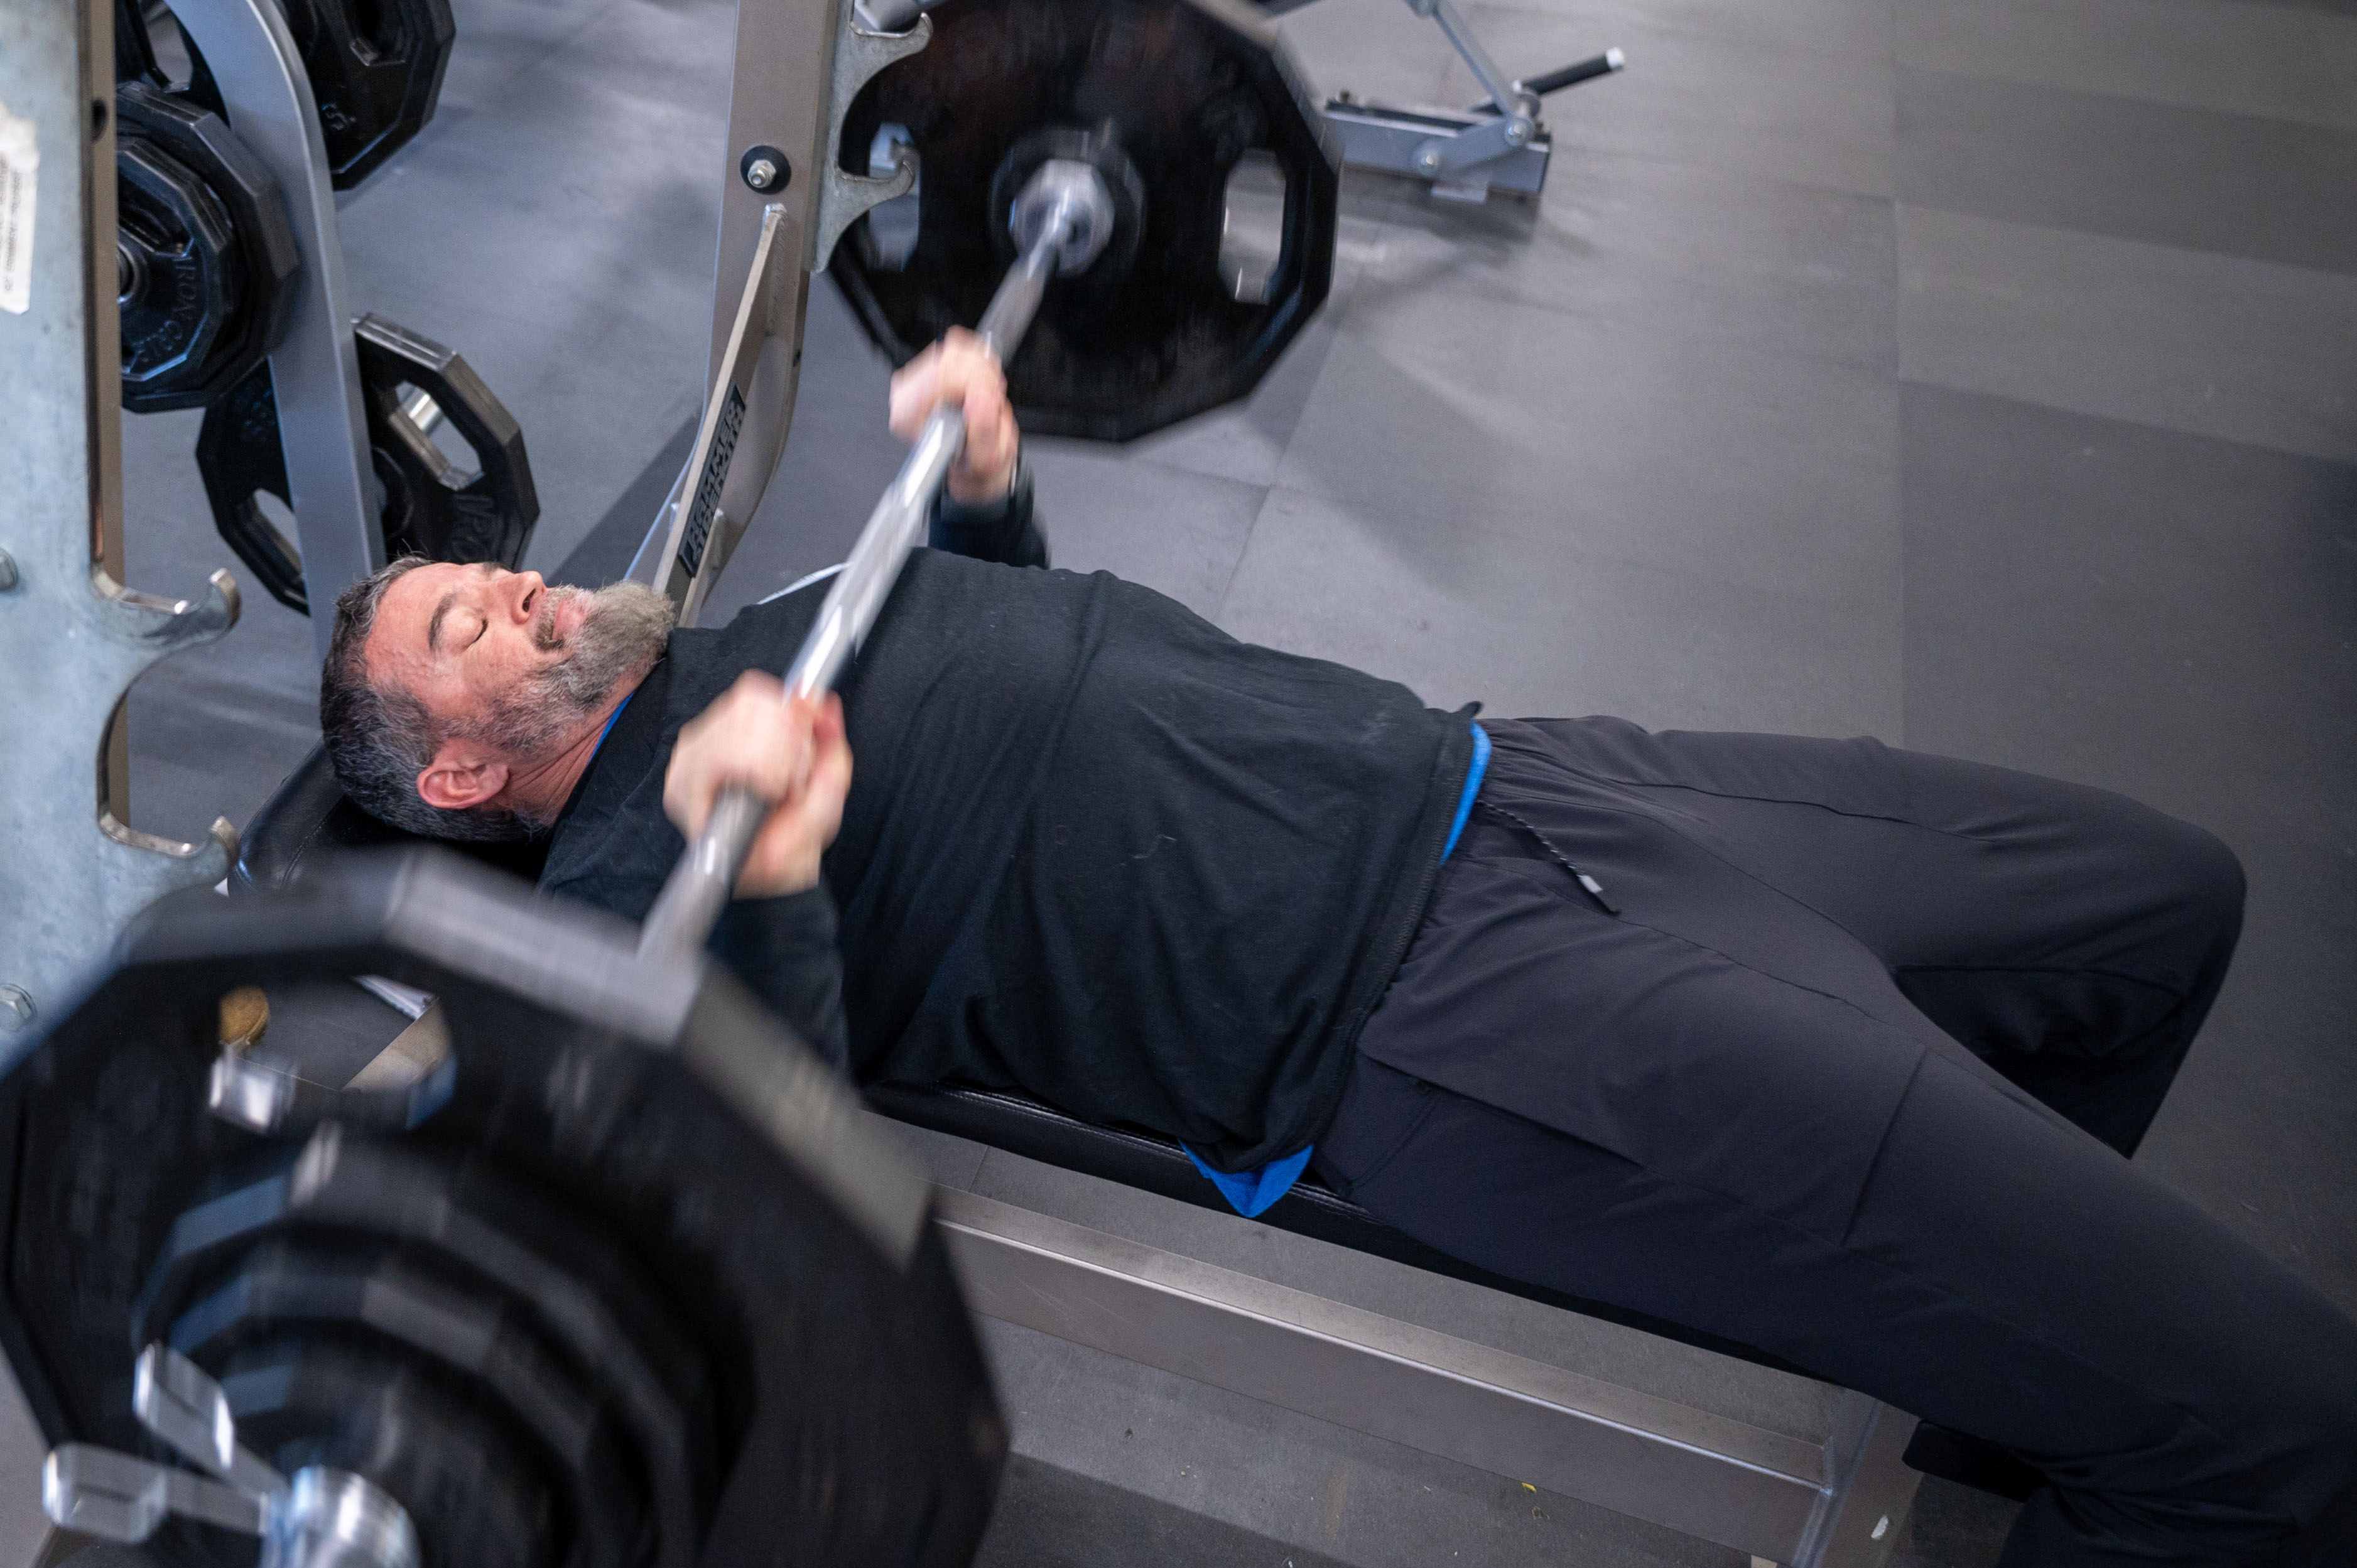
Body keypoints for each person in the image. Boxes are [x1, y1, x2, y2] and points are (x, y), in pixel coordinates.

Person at [320, 333, 2357, 1567]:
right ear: (462, 772)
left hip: (1521, 778)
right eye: (461, 626)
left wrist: (990, 500)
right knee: (2275, 1424)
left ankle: (2003, 1394)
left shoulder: (755, 635)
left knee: (2155, 899)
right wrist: (762, 872)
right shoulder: (637, 882)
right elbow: (760, 1156)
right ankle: (2115, 1423)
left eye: (479, 571)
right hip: (1441, 1016)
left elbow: (1006, 678)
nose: (513, 584)